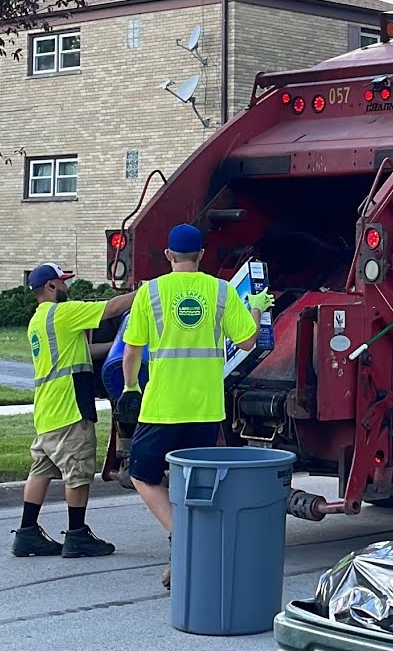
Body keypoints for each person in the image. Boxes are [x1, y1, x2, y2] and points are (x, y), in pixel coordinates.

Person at [118, 223, 273, 589]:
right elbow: (249, 343)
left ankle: (181, 538)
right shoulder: (219, 291)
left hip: (162, 407)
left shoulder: (150, 293)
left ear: (169, 255)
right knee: (195, 481)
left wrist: (129, 387)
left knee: (143, 474)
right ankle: (196, 545)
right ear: (202, 255)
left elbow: (132, 351)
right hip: (206, 409)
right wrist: (255, 309)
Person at [12, 263, 137, 558]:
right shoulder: (63, 313)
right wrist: (146, 291)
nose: (68, 287)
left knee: (40, 470)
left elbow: (83, 352)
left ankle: (26, 533)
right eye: (63, 282)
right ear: (51, 287)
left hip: (47, 410)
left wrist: (123, 346)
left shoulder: (38, 321)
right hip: (70, 409)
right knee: (77, 473)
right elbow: (111, 308)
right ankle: (78, 536)